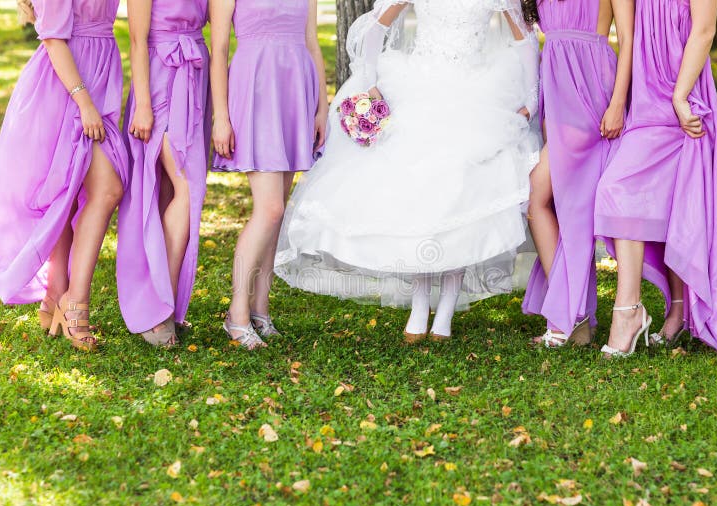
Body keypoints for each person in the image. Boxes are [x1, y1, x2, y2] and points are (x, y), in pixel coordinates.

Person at [275, 0, 541, 342]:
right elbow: (375, 28)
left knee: (463, 195)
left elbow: (524, 39)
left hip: (476, 95)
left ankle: (446, 309)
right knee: (421, 197)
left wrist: (531, 100)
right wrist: (369, 80)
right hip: (418, 89)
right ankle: (419, 303)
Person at [594, 0, 717, 356]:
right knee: (623, 191)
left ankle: (648, 312)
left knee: (669, 202)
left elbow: (704, 29)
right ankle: (642, 310)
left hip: (681, 98)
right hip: (645, 100)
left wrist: (680, 96)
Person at [0, 0, 128, 351]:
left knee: (72, 191)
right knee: (107, 188)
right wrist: (84, 102)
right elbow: (52, 38)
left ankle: (55, 296)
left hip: (99, 73)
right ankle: (74, 303)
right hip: (65, 84)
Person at [209, 0, 328, 349]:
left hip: (295, 90)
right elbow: (219, 49)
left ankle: (260, 310)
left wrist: (322, 107)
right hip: (255, 89)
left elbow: (311, 41)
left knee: (276, 214)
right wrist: (221, 116)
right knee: (270, 209)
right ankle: (237, 314)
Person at [521, 0, 634, 348]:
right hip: (557, 89)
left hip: (591, 87)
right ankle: (575, 315)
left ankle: (569, 316)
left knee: (549, 199)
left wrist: (618, 103)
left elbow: (627, 37)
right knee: (546, 201)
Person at [117, 0, 211, 346]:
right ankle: (161, 306)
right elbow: (137, 39)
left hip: (195, 74)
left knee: (170, 192)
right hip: (160, 79)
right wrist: (143, 104)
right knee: (188, 187)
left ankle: (162, 300)